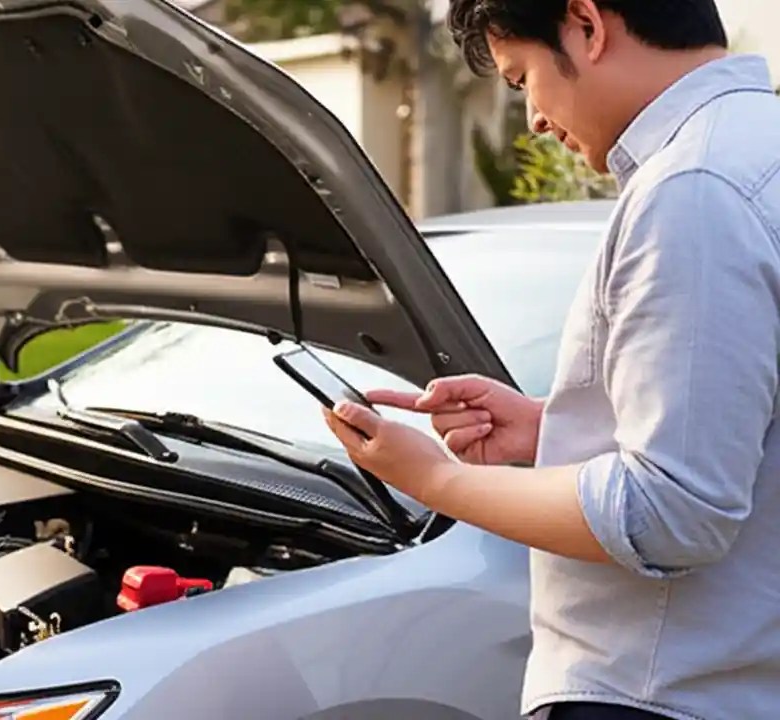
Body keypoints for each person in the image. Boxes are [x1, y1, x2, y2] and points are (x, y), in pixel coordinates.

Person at [322, 1, 780, 719]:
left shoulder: (693, 190)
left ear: (587, 24)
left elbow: (673, 513)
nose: (532, 117)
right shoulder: (756, 154)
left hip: (659, 693)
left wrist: (434, 478)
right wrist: (552, 429)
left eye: (521, 76)